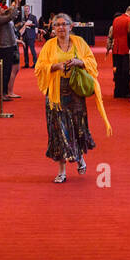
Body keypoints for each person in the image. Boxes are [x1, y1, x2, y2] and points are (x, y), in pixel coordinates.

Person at [35, 12, 113, 183]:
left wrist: (80, 62)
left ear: (71, 26)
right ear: (53, 28)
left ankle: (79, 157)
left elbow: (92, 62)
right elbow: (39, 67)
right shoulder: (49, 45)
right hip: (55, 93)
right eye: (57, 25)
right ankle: (61, 170)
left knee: (77, 127)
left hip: (75, 92)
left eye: (64, 24)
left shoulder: (79, 42)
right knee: (58, 130)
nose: (61, 28)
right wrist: (55, 66)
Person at [0, 0, 21, 99]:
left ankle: (3, 92)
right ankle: (2, 93)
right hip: (4, 47)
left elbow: (10, 12)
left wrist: (15, 4)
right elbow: (11, 16)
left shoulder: (3, 15)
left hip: (9, 45)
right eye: (0, 8)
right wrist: (15, 4)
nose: (3, 8)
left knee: (7, 70)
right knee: (4, 71)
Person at [108, 7, 130, 99]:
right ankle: (125, 91)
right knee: (126, 71)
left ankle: (117, 91)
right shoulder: (129, 20)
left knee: (117, 70)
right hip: (125, 48)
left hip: (116, 48)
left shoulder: (116, 19)